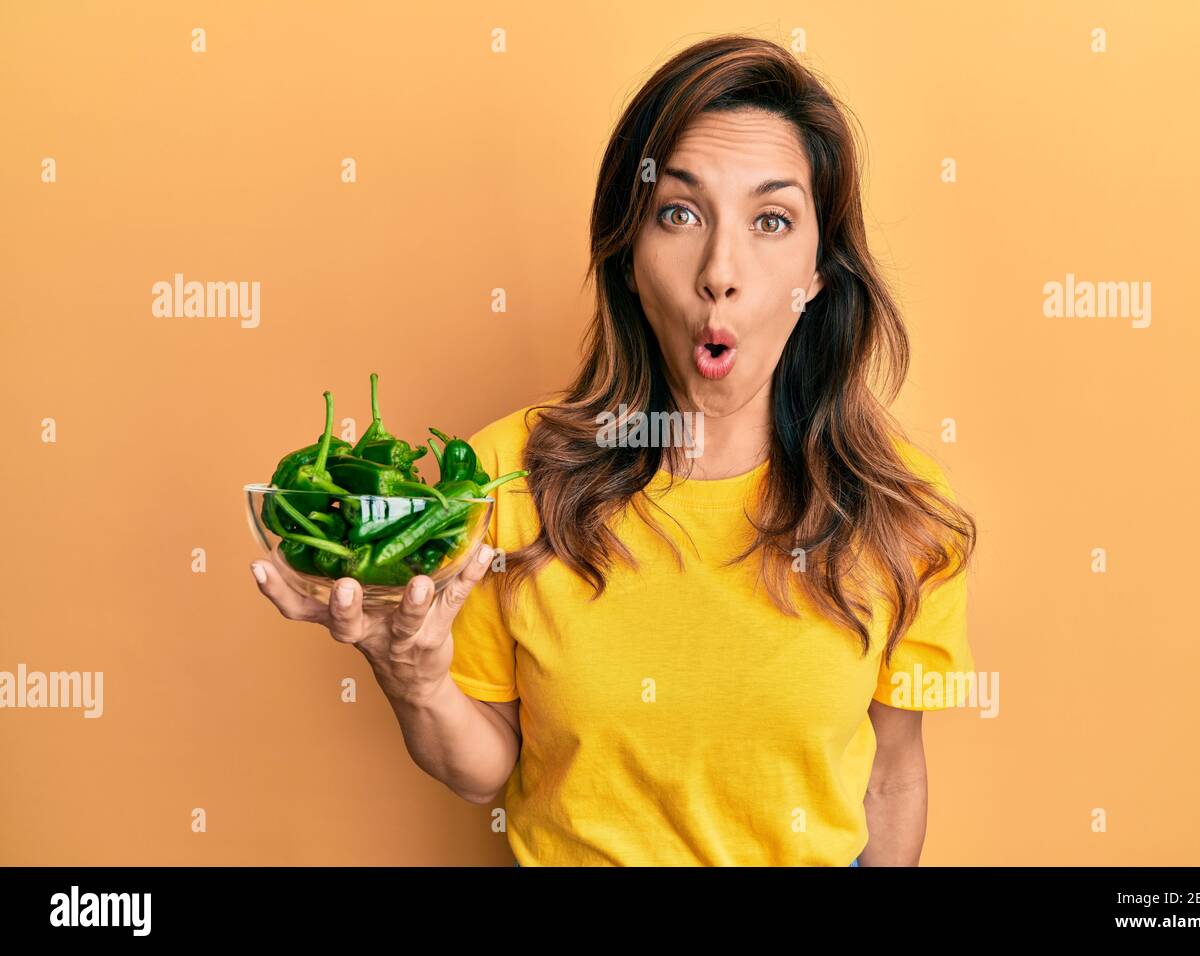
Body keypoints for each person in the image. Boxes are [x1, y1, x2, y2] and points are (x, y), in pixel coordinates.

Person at [251, 33, 977, 867]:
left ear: (817, 273)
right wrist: (411, 676)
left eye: (771, 220)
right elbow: (485, 770)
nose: (721, 270)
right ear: (629, 256)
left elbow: (891, 772)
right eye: (679, 212)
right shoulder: (506, 479)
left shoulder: (907, 512)